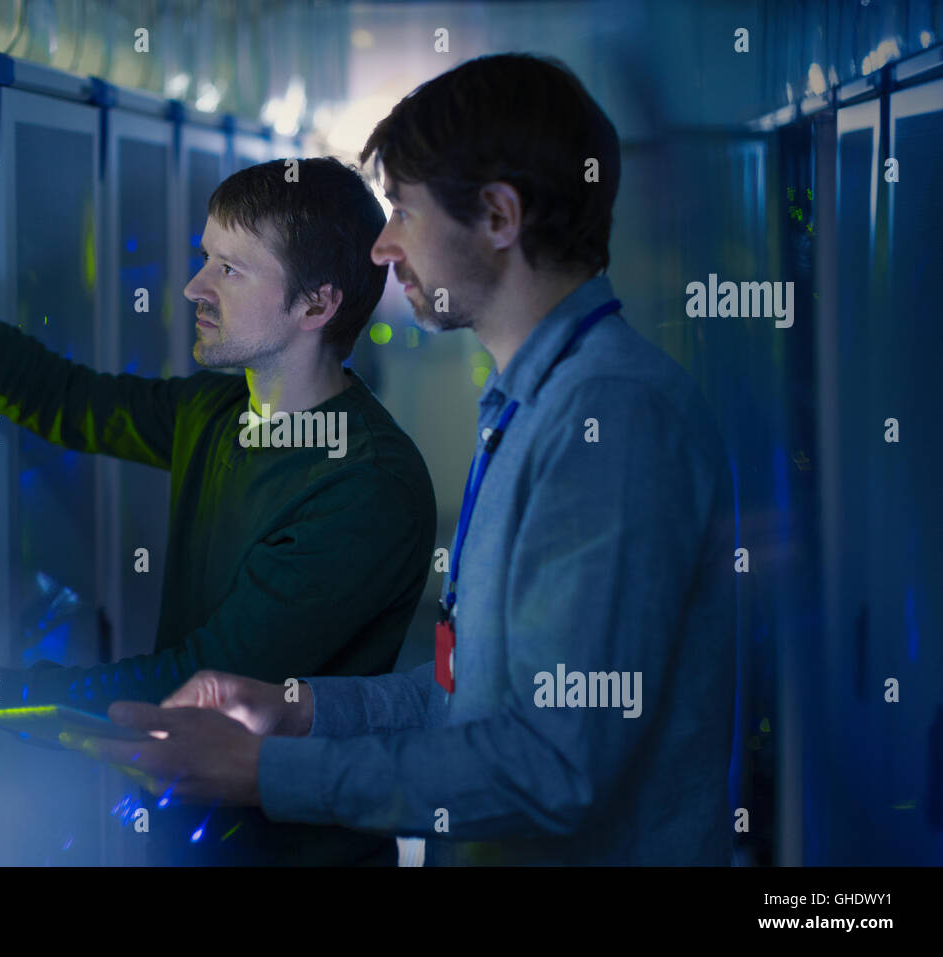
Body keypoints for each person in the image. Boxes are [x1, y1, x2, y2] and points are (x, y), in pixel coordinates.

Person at [89, 53, 738, 866]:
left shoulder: (611, 418)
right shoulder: (533, 406)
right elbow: (469, 698)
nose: (385, 244)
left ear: (499, 218)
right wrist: (293, 711)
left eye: (403, 209)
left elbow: (550, 765)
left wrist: (267, 771)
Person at [0, 156, 437, 866]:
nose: (192, 287)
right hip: (193, 834)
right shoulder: (219, 411)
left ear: (316, 305)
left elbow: (195, 684)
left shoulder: (365, 486)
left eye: (230, 270)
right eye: (205, 257)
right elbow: (69, 399)